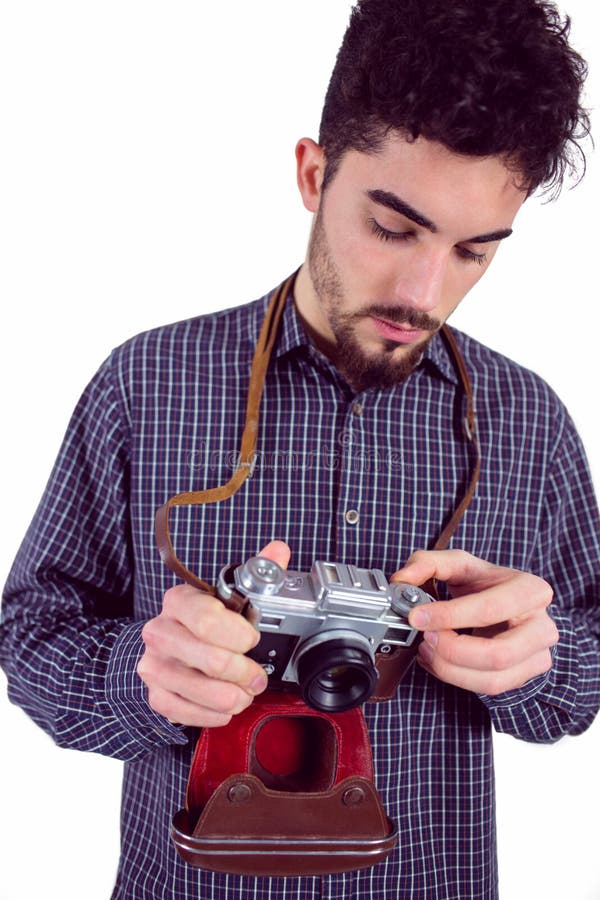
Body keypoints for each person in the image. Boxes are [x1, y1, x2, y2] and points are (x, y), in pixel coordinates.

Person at [1, 0, 599, 898]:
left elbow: (582, 672)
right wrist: (146, 678)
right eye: (393, 227)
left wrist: (536, 660)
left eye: (474, 250)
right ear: (314, 173)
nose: (423, 291)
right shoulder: (146, 381)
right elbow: (31, 638)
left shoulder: (529, 420)